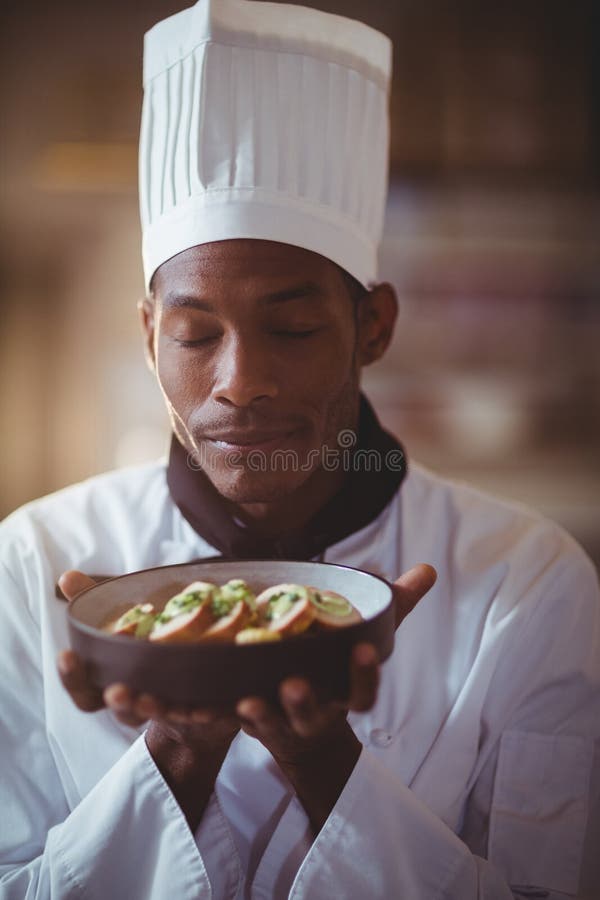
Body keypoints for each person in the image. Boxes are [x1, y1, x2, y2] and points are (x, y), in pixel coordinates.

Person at [1, 1, 598, 898]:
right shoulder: (31, 561)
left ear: (374, 325)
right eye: (197, 335)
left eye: (293, 326)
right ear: (147, 334)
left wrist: (326, 764)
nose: (241, 380)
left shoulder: (524, 580)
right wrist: (174, 750)